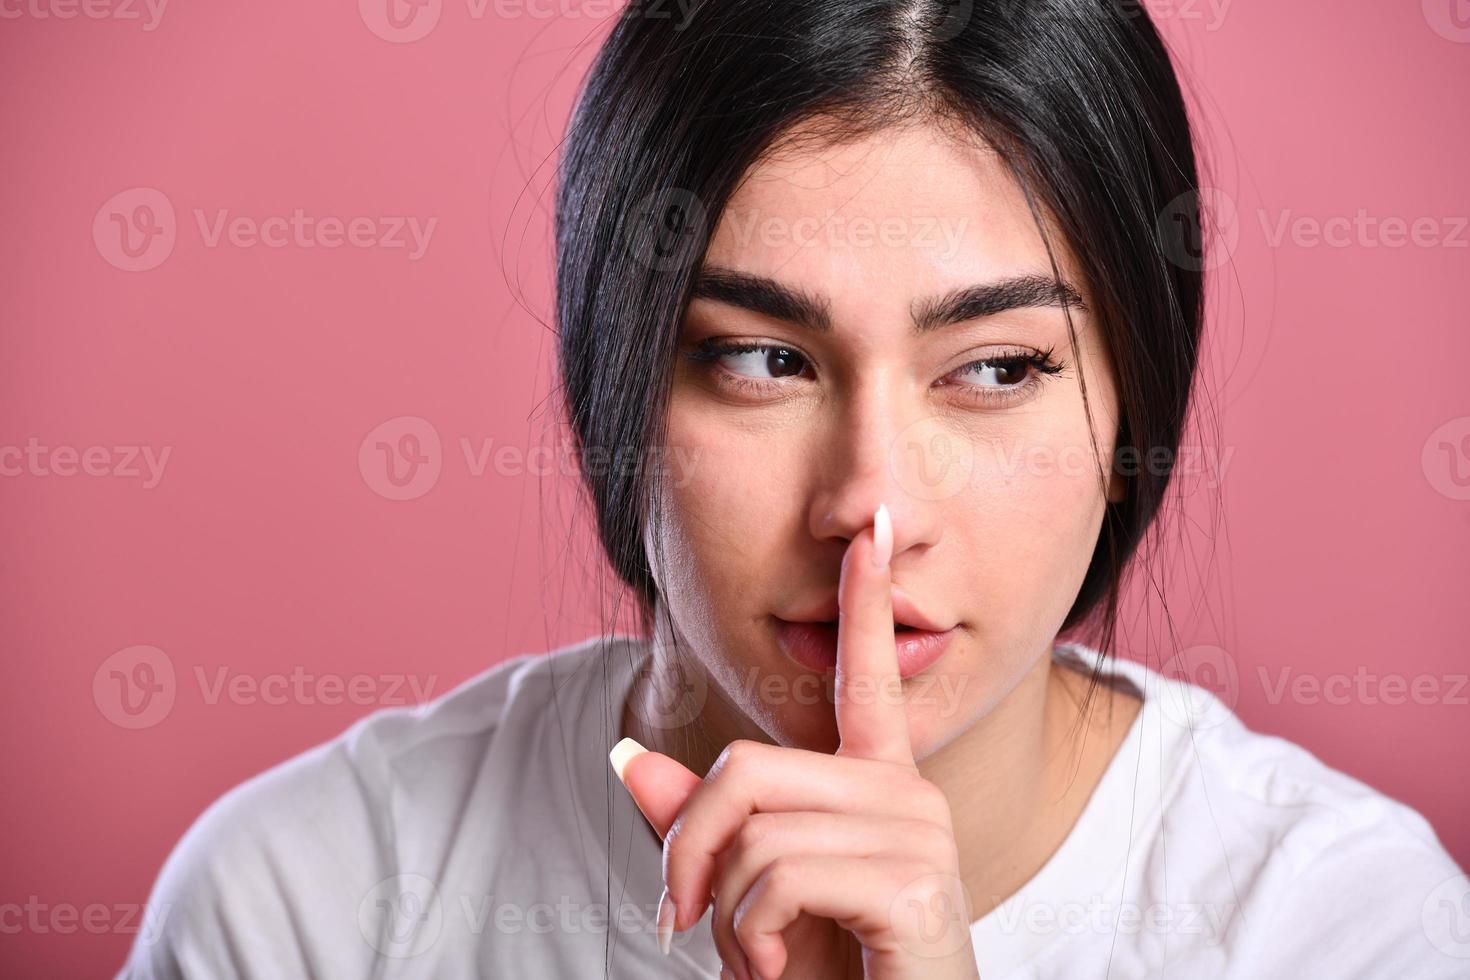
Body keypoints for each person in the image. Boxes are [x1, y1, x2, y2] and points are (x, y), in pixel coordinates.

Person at [119, 0, 1468, 977]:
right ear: (621, 387)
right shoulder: (309, 903)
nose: (870, 508)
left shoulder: (1340, 927)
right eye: (761, 360)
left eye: (996, 369)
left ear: (1130, 408)